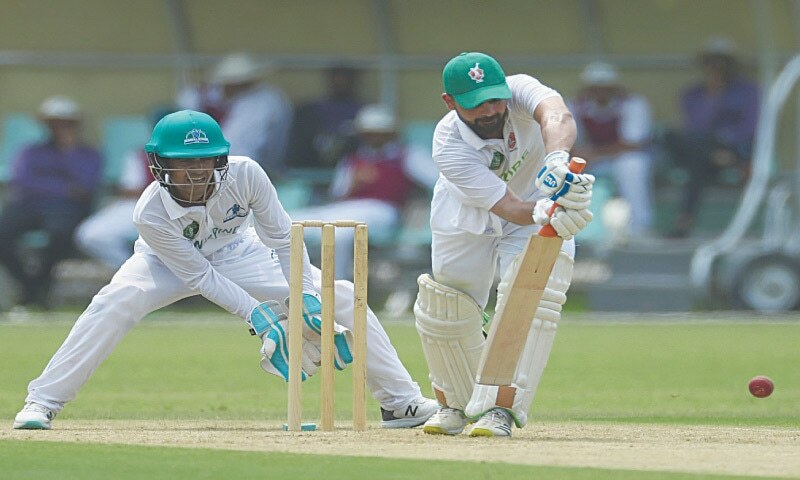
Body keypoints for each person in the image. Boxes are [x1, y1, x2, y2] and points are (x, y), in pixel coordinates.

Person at [12, 110, 437, 430]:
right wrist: (257, 314)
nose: (198, 172)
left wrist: (306, 294)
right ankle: (43, 402)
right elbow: (199, 277)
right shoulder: (149, 211)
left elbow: (281, 238)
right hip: (164, 262)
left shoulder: (246, 174)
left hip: (239, 250)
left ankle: (399, 403)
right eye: (185, 162)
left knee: (339, 293)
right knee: (114, 301)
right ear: (159, 164)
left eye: (207, 159)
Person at [413, 52, 594, 438]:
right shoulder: (447, 144)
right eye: (476, 104)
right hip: (466, 218)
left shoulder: (520, 89)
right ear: (449, 102)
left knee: (528, 300)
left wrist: (557, 158)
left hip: (532, 208)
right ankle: (454, 404)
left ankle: (500, 409)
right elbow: (510, 208)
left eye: (495, 99)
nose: (490, 111)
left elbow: (557, 115)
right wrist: (547, 212)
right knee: (447, 308)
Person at [290, 104, 418, 280]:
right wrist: (354, 184)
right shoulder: (352, 160)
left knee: (339, 233)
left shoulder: (408, 156)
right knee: (291, 221)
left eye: (377, 133)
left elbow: (437, 181)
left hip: (383, 210)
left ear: (390, 134)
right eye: (368, 133)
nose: (371, 138)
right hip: (348, 207)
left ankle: (336, 286)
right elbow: (336, 196)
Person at [0, 95, 103, 308]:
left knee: (60, 236)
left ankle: (34, 292)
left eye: (66, 123)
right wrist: (64, 188)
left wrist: (68, 152)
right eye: (55, 123)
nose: (60, 128)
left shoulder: (89, 154)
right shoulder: (31, 151)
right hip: (29, 206)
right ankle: (32, 289)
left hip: (67, 210)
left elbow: (85, 187)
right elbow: (22, 181)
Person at [664, 36, 759, 238]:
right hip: (707, 149)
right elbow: (696, 127)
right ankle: (715, 156)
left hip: (732, 148)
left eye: (722, 61)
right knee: (670, 136)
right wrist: (713, 95)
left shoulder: (748, 91)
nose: (717, 66)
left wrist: (725, 146)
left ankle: (684, 221)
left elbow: (750, 127)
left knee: (698, 164)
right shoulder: (692, 94)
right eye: (712, 62)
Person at [73, 108, 170, 269]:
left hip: (188, 211)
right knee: (90, 235)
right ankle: (134, 271)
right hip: (143, 205)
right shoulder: (141, 155)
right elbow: (129, 190)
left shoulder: (201, 156)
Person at [570, 61, 655, 237]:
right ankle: (571, 229)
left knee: (633, 165)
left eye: (605, 88)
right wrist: (581, 154)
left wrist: (593, 154)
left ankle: (640, 226)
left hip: (621, 158)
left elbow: (633, 144)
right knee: (562, 165)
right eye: (596, 88)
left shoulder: (632, 104)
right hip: (591, 160)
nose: (601, 93)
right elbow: (568, 140)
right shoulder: (575, 105)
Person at [184, 53, 293, 178]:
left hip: (251, 168)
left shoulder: (262, 102)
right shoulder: (223, 95)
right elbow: (188, 98)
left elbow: (235, 144)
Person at [287, 66, 364, 170]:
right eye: (337, 79)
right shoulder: (310, 110)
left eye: (345, 79)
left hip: (352, 169)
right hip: (313, 168)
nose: (340, 83)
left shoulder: (363, 110)